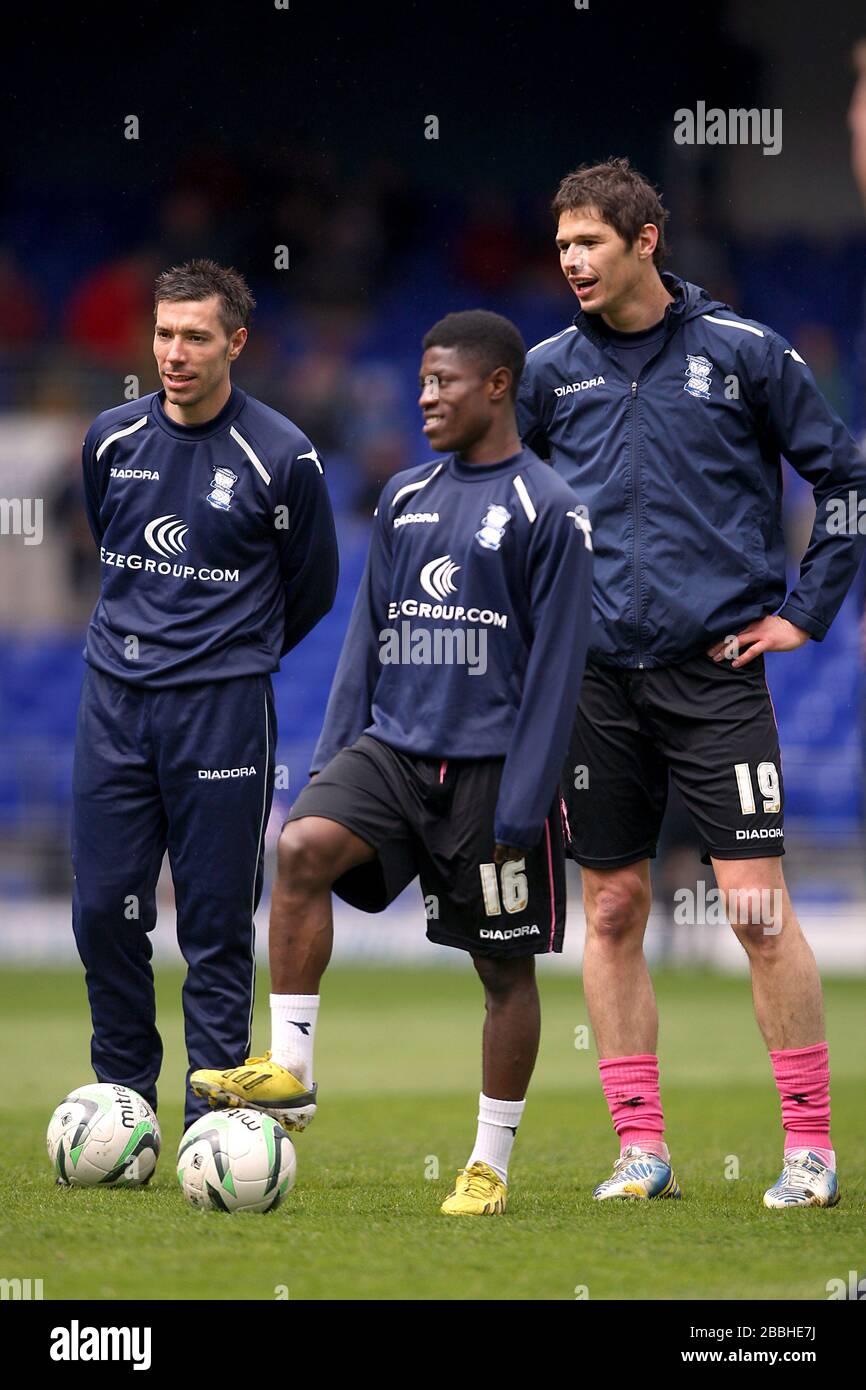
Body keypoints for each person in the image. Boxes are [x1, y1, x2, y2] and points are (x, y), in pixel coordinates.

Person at [516, 158, 866, 1208]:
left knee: (754, 911)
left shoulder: (747, 354)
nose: (571, 261)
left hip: (714, 674)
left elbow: (843, 480)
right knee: (612, 909)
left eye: (589, 242)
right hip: (592, 683)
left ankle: (808, 1147)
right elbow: (504, 501)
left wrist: (804, 612)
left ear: (642, 242)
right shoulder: (541, 373)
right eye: (562, 244)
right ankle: (641, 1151)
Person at [191, 310, 594, 1215]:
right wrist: (334, 761)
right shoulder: (405, 497)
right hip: (394, 752)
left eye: (442, 382)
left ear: (497, 385)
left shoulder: (551, 510)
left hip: (494, 775)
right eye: (420, 382)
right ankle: (289, 1071)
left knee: (503, 974)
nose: (424, 398)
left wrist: (525, 805)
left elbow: (560, 670)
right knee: (299, 851)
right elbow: (365, 641)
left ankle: (488, 1162)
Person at [72, 258, 338, 1136]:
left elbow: (314, 585)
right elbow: (109, 541)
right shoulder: (111, 439)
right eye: (163, 334)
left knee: (217, 924)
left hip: (223, 712)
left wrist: (232, 653)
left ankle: (212, 1111)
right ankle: (122, 1101)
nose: (175, 353)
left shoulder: (283, 455)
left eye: (195, 336)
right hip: (114, 703)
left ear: (236, 343)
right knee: (102, 909)